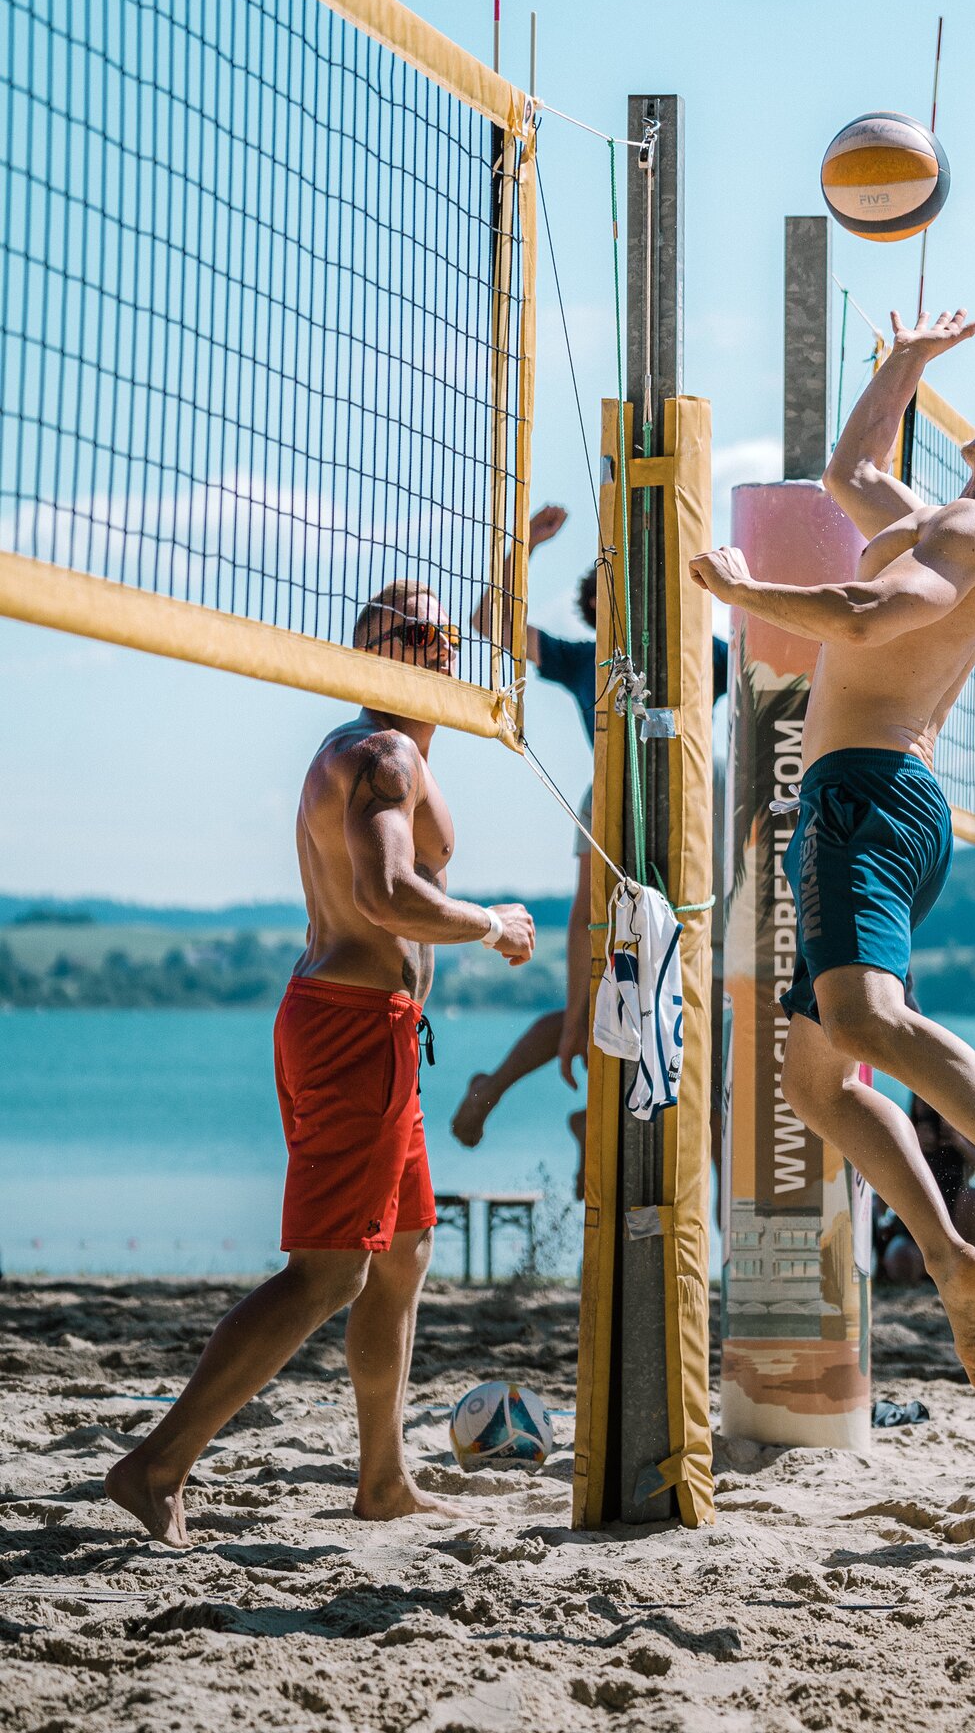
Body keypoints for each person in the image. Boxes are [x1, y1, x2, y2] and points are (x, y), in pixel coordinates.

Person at [689, 306, 975, 1394]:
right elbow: (849, 470)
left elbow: (864, 614)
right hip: (872, 803)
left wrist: (744, 594)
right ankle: (947, 1253)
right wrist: (905, 360)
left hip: (867, 797)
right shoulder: (954, 518)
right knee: (819, 1083)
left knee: (867, 1022)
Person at [106, 580, 536, 1544]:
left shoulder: (394, 751)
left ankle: (382, 1479)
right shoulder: (379, 754)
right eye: (411, 636)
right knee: (328, 1273)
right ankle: (155, 1466)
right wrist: (492, 924)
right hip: (351, 1027)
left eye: (442, 635)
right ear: (369, 655)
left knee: (407, 1254)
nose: (438, 650)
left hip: (373, 1029)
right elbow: (385, 893)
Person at [455, 505, 729, 1191]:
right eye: (608, 604)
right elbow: (490, 624)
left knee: (665, 995)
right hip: (610, 811)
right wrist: (523, 547)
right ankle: (497, 1087)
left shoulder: (702, 653)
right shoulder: (585, 660)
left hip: (689, 816)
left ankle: (591, 1117)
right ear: (596, 613)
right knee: (599, 977)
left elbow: (778, 666)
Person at [878, 1097, 975, 1286]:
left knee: (972, 1198)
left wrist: (961, 1143)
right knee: (902, 1260)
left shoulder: (962, 1130)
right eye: (921, 1099)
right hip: (916, 1235)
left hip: (956, 1230)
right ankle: (929, 1275)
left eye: (933, 1101)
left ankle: (971, 1268)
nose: (930, 1110)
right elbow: (882, 1202)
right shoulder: (905, 1130)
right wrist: (911, 1148)